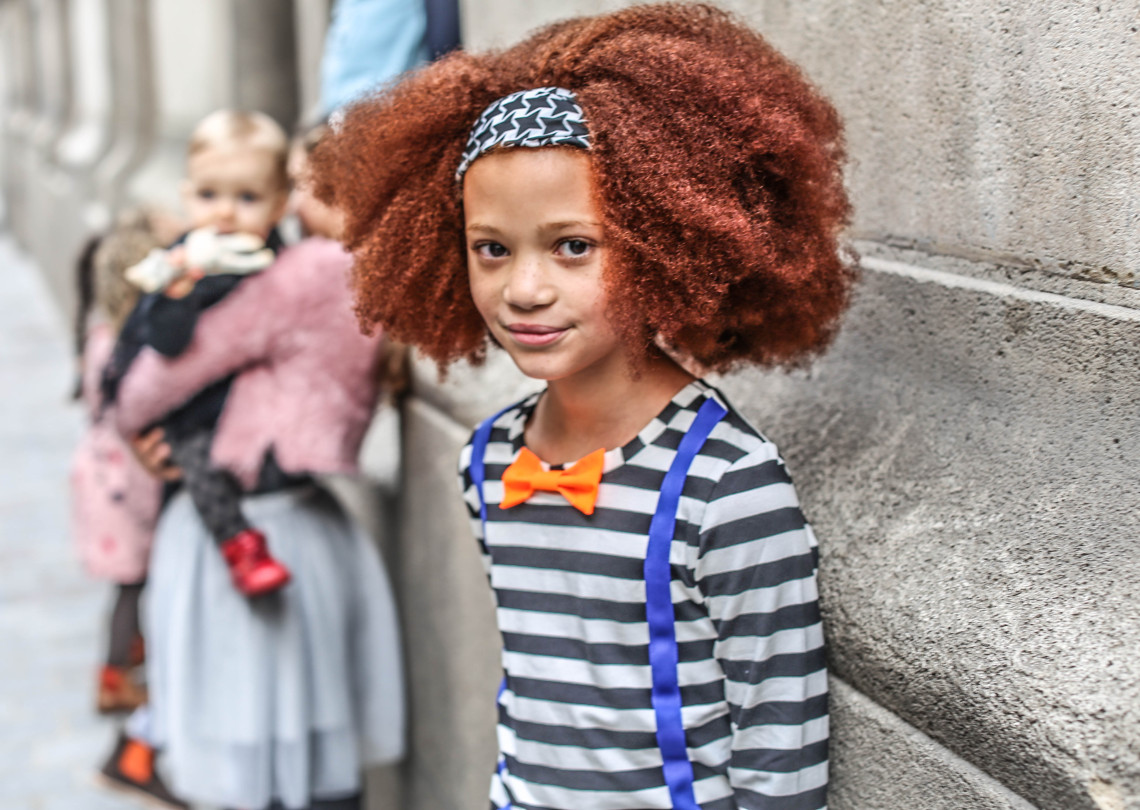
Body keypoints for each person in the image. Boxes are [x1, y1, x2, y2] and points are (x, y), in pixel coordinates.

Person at [312, 4, 852, 809]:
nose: (525, 290)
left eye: (573, 246)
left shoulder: (726, 485)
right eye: (492, 248)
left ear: (665, 238)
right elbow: (538, 694)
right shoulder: (488, 460)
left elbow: (783, 753)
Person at [112, 129, 406, 810]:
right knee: (298, 737)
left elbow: (147, 388)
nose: (302, 200)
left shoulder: (306, 271)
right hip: (292, 516)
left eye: (314, 184)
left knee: (251, 741)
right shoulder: (337, 268)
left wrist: (129, 417)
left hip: (256, 526)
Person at [104, 110, 297, 597]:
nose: (225, 213)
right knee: (195, 457)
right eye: (209, 196)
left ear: (279, 206)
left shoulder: (282, 264)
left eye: (247, 198)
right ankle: (238, 545)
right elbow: (160, 343)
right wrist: (178, 295)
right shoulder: (182, 265)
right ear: (188, 197)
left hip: (263, 426)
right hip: (193, 418)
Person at [70, 211, 189, 808]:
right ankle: (129, 729)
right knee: (141, 602)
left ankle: (128, 728)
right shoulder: (127, 349)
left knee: (134, 598)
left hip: (109, 489)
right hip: (128, 496)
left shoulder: (98, 337)